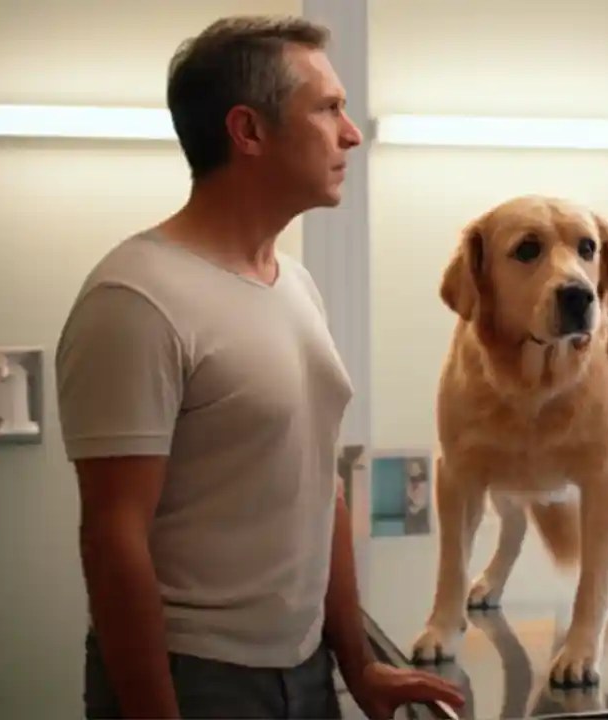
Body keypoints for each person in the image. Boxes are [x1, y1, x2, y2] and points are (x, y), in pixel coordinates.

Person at [55, 15, 464, 719]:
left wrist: (358, 665)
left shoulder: (296, 285)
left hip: (307, 672)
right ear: (248, 132)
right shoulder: (137, 299)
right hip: (194, 679)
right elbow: (112, 537)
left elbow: (318, 490)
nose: (352, 133)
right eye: (329, 109)